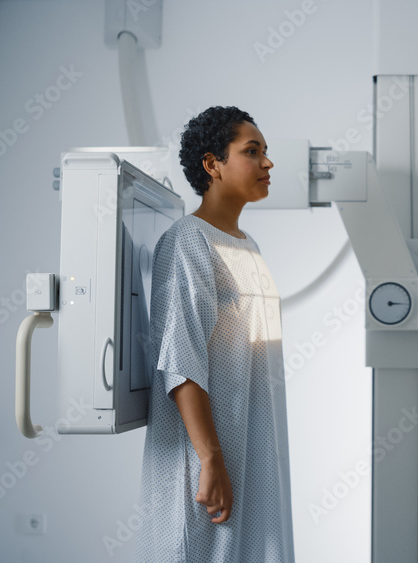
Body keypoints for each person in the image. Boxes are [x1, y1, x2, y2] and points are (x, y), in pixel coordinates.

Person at [135, 106, 294, 562]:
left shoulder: (247, 246)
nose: (267, 163)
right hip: (206, 463)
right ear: (212, 165)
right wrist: (210, 459)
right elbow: (180, 362)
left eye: (265, 152)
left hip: (252, 448)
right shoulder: (189, 240)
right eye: (252, 151)